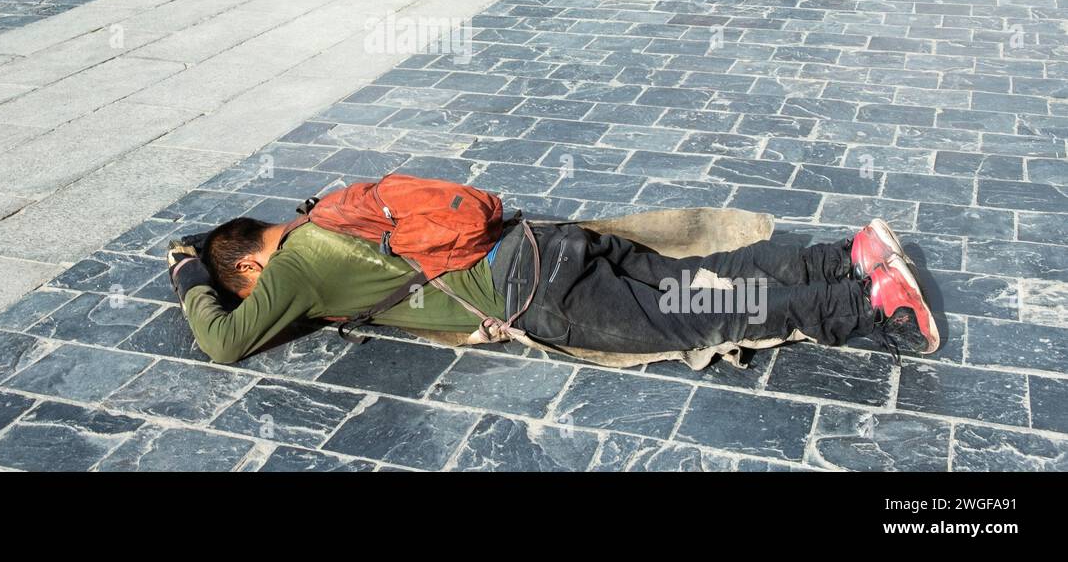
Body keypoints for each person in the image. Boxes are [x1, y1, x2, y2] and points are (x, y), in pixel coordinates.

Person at [165, 179, 939, 367]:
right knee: (700, 274)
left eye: (248, 284)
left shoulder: (294, 264)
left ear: (249, 261)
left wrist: (187, 276)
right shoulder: (332, 209)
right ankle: (848, 255)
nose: (263, 299)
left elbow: (225, 341)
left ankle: (873, 307)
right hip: (546, 242)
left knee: (702, 315)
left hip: (541, 294)